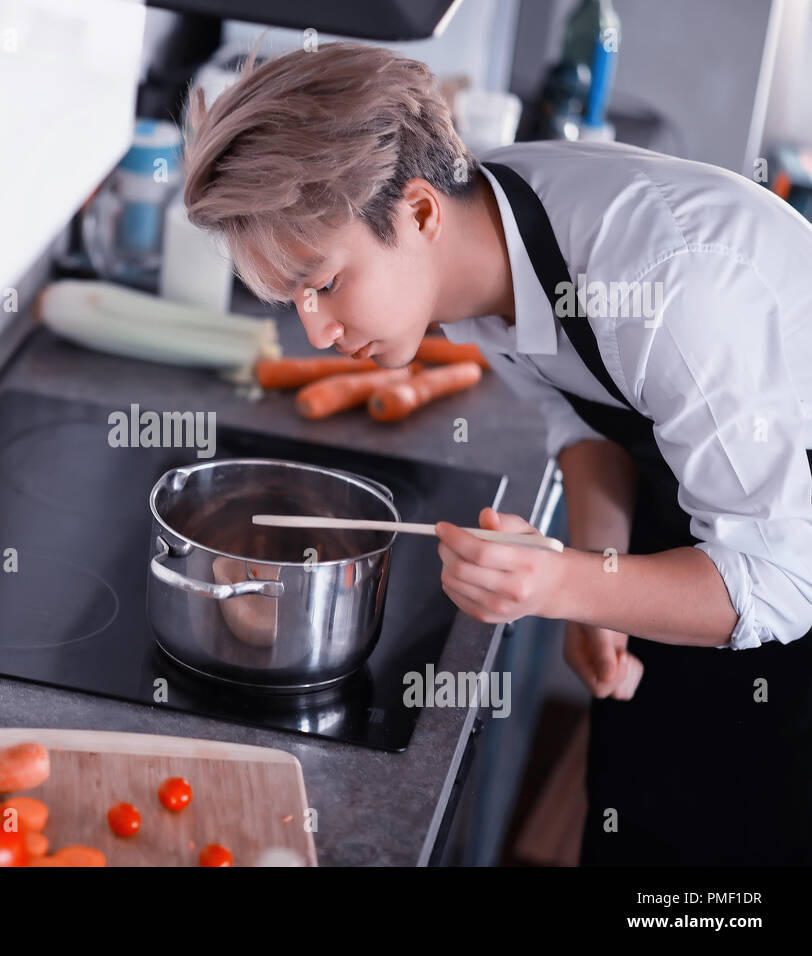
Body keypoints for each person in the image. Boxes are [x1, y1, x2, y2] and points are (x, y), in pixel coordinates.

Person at [180, 40, 812, 865]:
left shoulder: (670, 285)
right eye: (291, 298)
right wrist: (597, 581)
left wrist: (559, 580)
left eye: (325, 282)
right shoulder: (481, 239)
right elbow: (585, 420)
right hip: (706, 526)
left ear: (417, 213)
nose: (318, 333)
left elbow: (779, 583)